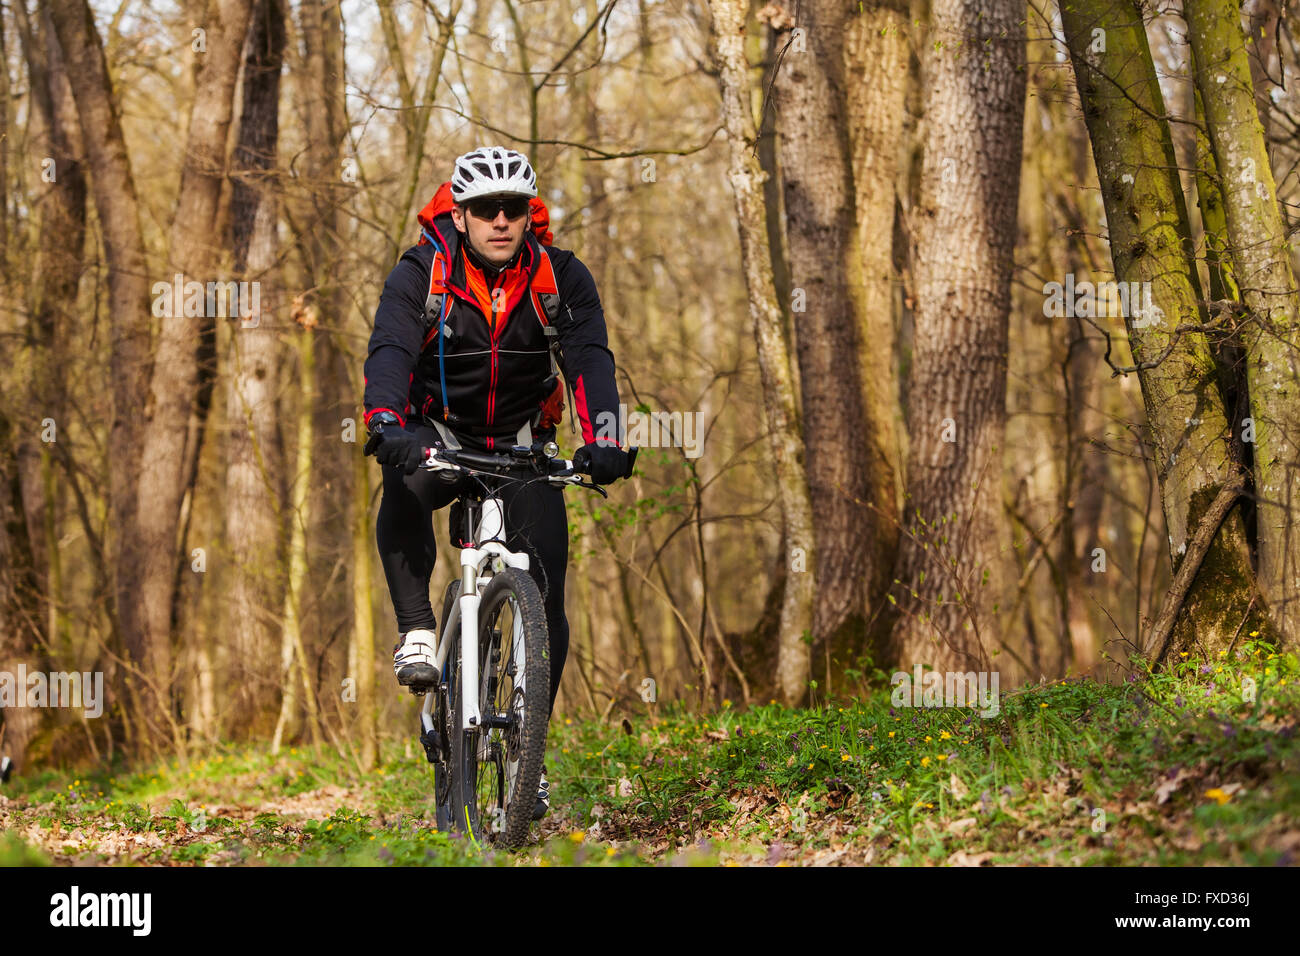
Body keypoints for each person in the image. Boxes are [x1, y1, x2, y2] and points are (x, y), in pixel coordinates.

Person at [362, 146, 632, 818]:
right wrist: (386, 421)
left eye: (514, 208)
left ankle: (527, 752)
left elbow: (589, 359)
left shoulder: (560, 278)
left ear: (529, 214)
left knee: (548, 593)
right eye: (486, 209)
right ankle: (420, 631)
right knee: (405, 482)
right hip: (439, 431)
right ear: (460, 214)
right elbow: (391, 348)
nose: (501, 221)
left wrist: (604, 438)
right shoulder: (422, 272)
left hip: (520, 444)